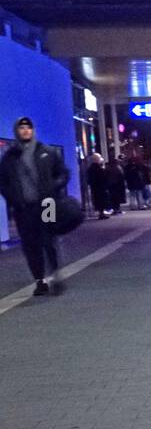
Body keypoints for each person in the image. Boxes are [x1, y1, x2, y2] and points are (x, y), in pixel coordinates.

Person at [0, 117, 70, 296]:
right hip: (23, 208)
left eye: (28, 127)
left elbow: (63, 173)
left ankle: (55, 275)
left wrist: (53, 187)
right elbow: (3, 182)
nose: (25, 130)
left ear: (33, 130)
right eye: (22, 128)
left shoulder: (46, 152)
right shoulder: (9, 157)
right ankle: (40, 280)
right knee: (30, 244)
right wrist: (13, 197)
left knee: (49, 240)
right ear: (17, 131)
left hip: (47, 204)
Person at [87, 152, 110, 218]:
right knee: (101, 200)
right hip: (100, 187)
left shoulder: (91, 168)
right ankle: (101, 213)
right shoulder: (98, 168)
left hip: (95, 187)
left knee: (98, 200)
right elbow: (103, 177)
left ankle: (101, 213)